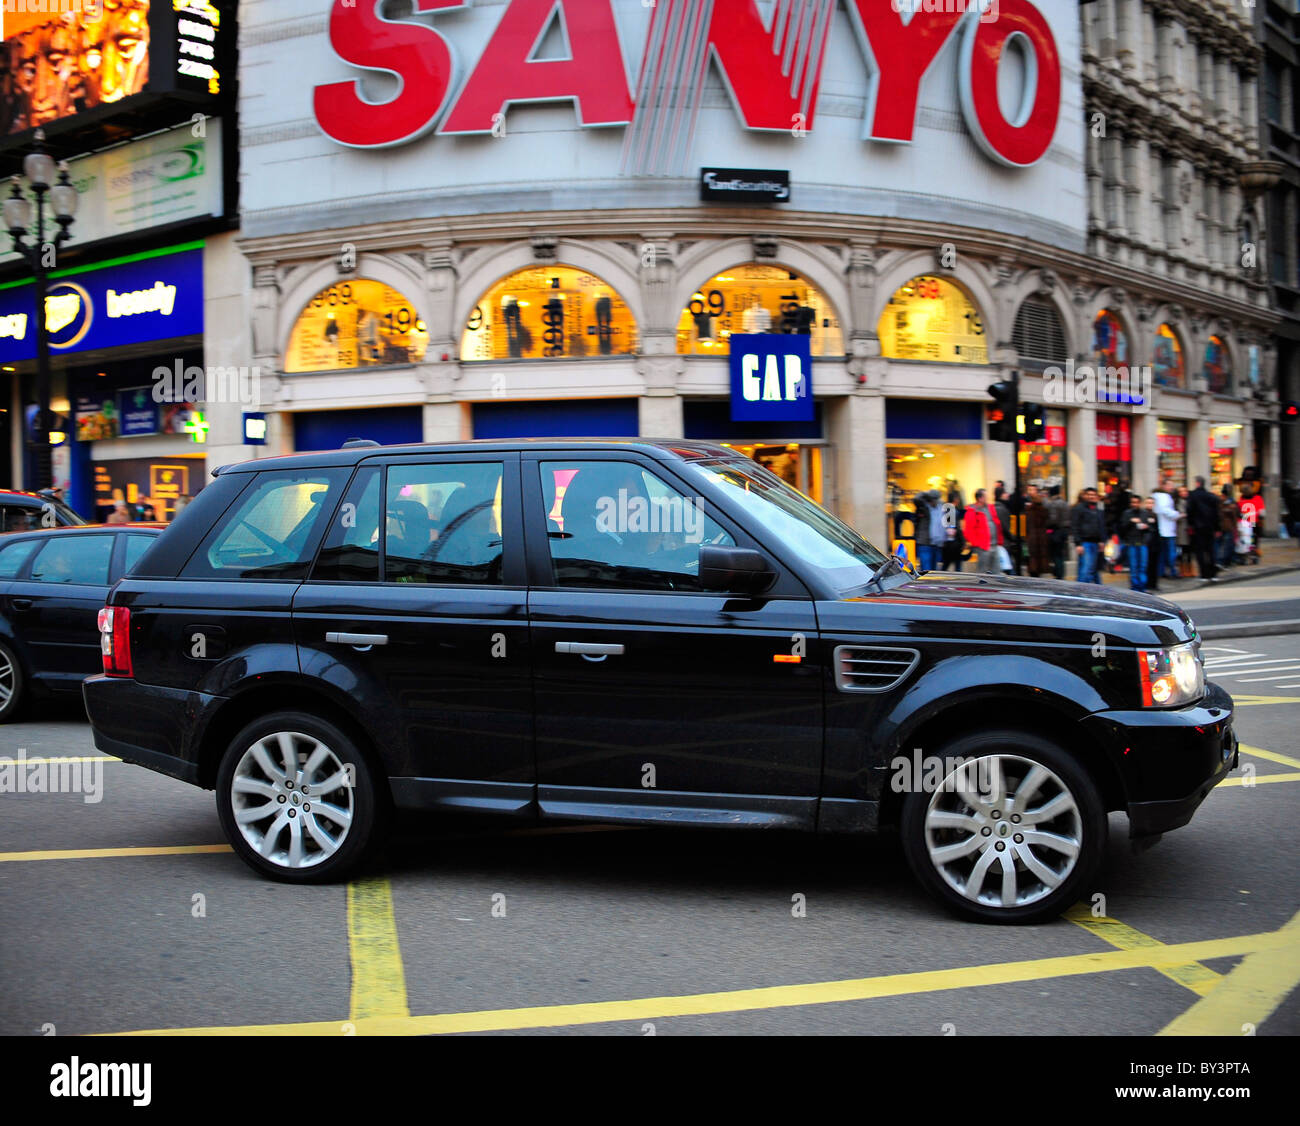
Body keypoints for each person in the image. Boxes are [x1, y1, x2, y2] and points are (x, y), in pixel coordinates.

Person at [962, 488, 1005, 573]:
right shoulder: (972, 511)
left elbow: (996, 523)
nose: (988, 498)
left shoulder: (990, 508)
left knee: (996, 570)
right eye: (986, 496)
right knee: (983, 571)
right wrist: (977, 544)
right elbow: (969, 530)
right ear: (980, 498)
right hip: (983, 547)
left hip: (994, 544)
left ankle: (995, 585)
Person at [1186, 476, 1219, 582]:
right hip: (1210, 527)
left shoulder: (1192, 496)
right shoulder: (1211, 496)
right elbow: (1216, 514)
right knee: (1211, 550)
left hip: (1198, 527)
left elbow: (1189, 511)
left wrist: (1190, 524)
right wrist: (1217, 527)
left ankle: (1204, 574)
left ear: (1197, 483)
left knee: (1200, 551)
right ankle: (1213, 573)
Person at [1071, 486, 1106, 584]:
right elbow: (1075, 526)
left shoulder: (1098, 510)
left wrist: (1101, 541)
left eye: (1093, 495)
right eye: (1089, 495)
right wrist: (1078, 543)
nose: (1091, 497)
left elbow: (1101, 527)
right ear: (1085, 496)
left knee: (1092, 569)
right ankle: (1081, 593)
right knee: (1085, 570)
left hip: (1095, 543)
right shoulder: (1079, 509)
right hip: (1085, 543)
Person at [1120, 493, 1152, 593]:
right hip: (1131, 543)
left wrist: (1147, 527)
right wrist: (1131, 521)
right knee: (1133, 567)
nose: (1135, 504)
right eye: (1133, 502)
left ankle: (1142, 588)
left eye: (1137, 502)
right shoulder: (1127, 514)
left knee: (1143, 567)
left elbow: (1150, 529)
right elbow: (1122, 528)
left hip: (1142, 543)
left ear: (1140, 503)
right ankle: (1135, 588)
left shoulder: (1144, 513)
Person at [1151, 480, 1182, 582]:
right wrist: (1176, 514)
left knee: (1162, 553)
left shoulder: (1156, 496)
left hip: (1162, 529)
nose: (1171, 487)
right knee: (1170, 553)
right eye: (1170, 485)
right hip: (1167, 529)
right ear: (1164, 486)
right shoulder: (1164, 497)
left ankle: (1162, 571)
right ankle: (1172, 571)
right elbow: (1166, 510)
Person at [1044, 484, 1070, 580]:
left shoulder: (1054, 503)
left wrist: (1047, 525)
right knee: (1061, 554)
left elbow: (1053, 519)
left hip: (1056, 532)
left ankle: (1059, 574)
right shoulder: (1064, 502)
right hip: (1064, 531)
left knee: (1056, 554)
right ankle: (1061, 573)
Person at [1025, 483, 1049, 577]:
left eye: (1032, 490)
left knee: (1033, 559)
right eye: (1029, 490)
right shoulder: (1043, 509)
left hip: (1033, 537)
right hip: (1039, 537)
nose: (1031, 492)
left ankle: (1034, 572)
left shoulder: (1030, 509)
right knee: (1037, 560)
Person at [912, 491, 938, 572]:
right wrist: (926, 494)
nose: (935, 501)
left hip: (934, 543)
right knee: (926, 570)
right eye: (933, 499)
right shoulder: (924, 508)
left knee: (933, 571)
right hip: (924, 543)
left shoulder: (938, 509)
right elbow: (916, 499)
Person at [940, 491, 965, 571]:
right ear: (955, 499)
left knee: (945, 566)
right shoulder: (952, 510)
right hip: (953, 544)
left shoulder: (944, 509)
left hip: (947, 544)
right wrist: (962, 541)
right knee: (957, 567)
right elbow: (954, 529)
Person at [1219, 485, 1240, 567]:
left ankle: (1228, 560)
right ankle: (1224, 561)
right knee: (1227, 544)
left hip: (1229, 526)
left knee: (1228, 544)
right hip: (1227, 526)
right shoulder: (1228, 502)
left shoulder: (1231, 502)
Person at [1176, 487, 1193, 576]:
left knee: (1189, 551)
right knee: (1182, 551)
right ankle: (1182, 570)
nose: (1184, 493)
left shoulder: (1190, 501)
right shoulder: (1178, 502)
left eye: (1185, 491)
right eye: (1181, 491)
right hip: (1181, 529)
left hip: (1189, 529)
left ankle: (1190, 570)